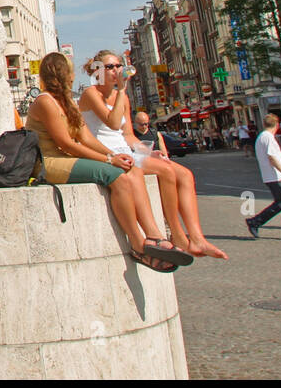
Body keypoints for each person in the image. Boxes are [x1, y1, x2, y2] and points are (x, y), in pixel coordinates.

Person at [28, 52, 191, 273]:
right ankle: (137, 244)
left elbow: (86, 138)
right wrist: (109, 159)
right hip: (50, 162)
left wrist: (114, 155)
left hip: (66, 158)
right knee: (116, 177)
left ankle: (154, 235)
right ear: (63, 74)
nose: (74, 76)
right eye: (71, 72)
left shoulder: (67, 102)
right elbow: (66, 144)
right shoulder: (45, 101)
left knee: (131, 170)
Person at [79, 51, 226, 260]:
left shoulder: (123, 97)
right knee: (166, 171)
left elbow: (127, 134)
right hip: (106, 152)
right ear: (97, 71)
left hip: (126, 150)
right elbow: (112, 122)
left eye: (118, 66)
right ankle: (178, 236)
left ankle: (197, 238)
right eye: (109, 67)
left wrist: (148, 151)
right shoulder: (90, 93)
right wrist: (120, 90)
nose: (116, 70)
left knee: (185, 175)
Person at [245, 114, 281, 240]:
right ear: (277, 125)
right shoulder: (268, 138)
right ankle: (255, 221)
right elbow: (272, 158)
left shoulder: (262, 137)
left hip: (274, 175)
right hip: (276, 176)